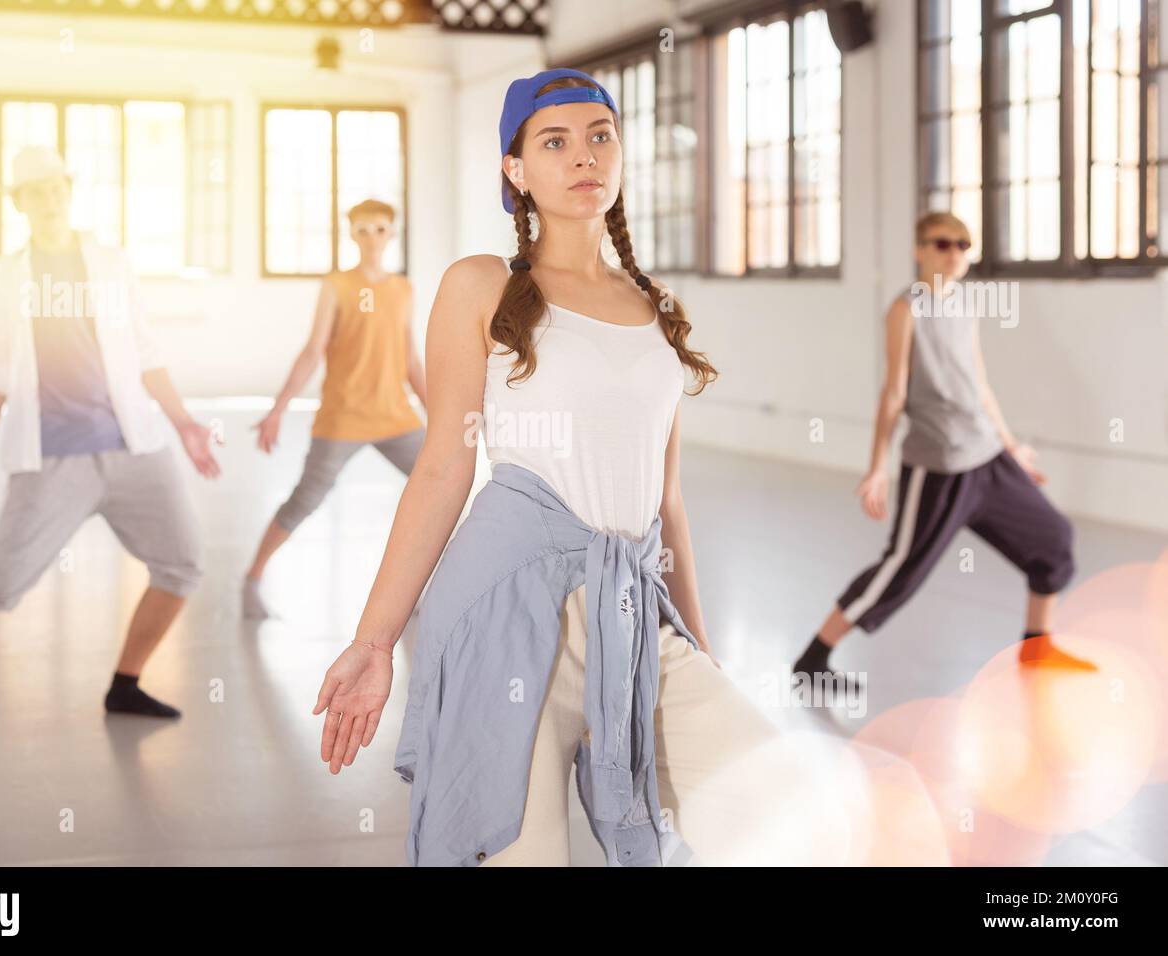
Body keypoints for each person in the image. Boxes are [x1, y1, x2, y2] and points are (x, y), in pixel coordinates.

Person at [311, 68, 779, 867]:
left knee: (772, 793)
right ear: (516, 170)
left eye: (600, 136)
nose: (582, 156)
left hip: (631, 613)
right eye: (554, 142)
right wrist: (375, 639)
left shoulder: (657, 302)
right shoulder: (481, 286)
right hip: (504, 611)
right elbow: (442, 469)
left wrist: (695, 645)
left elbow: (667, 503)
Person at [0, 146, 219, 719]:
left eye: (56, 187)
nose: (49, 198)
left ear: (69, 192)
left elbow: (144, 350)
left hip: (133, 446)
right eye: (36, 190)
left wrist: (186, 423)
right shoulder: (6, 276)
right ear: (19, 202)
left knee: (183, 563)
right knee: (2, 580)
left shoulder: (110, 261)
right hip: (52, 456)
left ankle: (124, 684)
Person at [791, 211, 1092, 695]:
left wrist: (1010, 445)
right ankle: (812, 658)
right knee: (900, 572)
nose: (953, 253)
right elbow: (893, 393)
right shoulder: (905, 310)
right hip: (939, 467)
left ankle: (1036, 651)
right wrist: (877, 468)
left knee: (1054, 539)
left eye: (962, 244)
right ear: (919, 250)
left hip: (988, 458)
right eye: (942, 243)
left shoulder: (967, 304)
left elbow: (979, 383)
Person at [243, 200, 426, 619]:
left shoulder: (402, 289)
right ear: (351, 235)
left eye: (380, 230)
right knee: (305, 499)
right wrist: (277, 410)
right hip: (343, 417)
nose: (371, 239)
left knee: (437, 490)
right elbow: (312, 352)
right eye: (362, 230)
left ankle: (415, 591)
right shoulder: (337, 286)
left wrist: (447, 415)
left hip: (395, 416)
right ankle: (251, 580)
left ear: (391, 235)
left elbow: (410, 359)